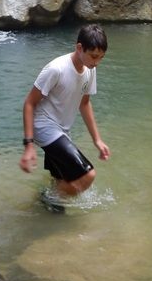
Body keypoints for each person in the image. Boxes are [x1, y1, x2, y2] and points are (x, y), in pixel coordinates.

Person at [19, 24, 110, 198]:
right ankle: (46, 199)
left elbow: (84, 104)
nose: (97, 62)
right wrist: (28, 145)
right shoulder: (56, 69)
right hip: (44, 126)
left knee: (63, 182)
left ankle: (46, 209)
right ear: (79, 48)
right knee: (87, 175)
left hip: (62, 130)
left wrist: (97, 140)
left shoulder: (90, 70)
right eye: (93, 56)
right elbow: (29, 103)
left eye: (101, 57)